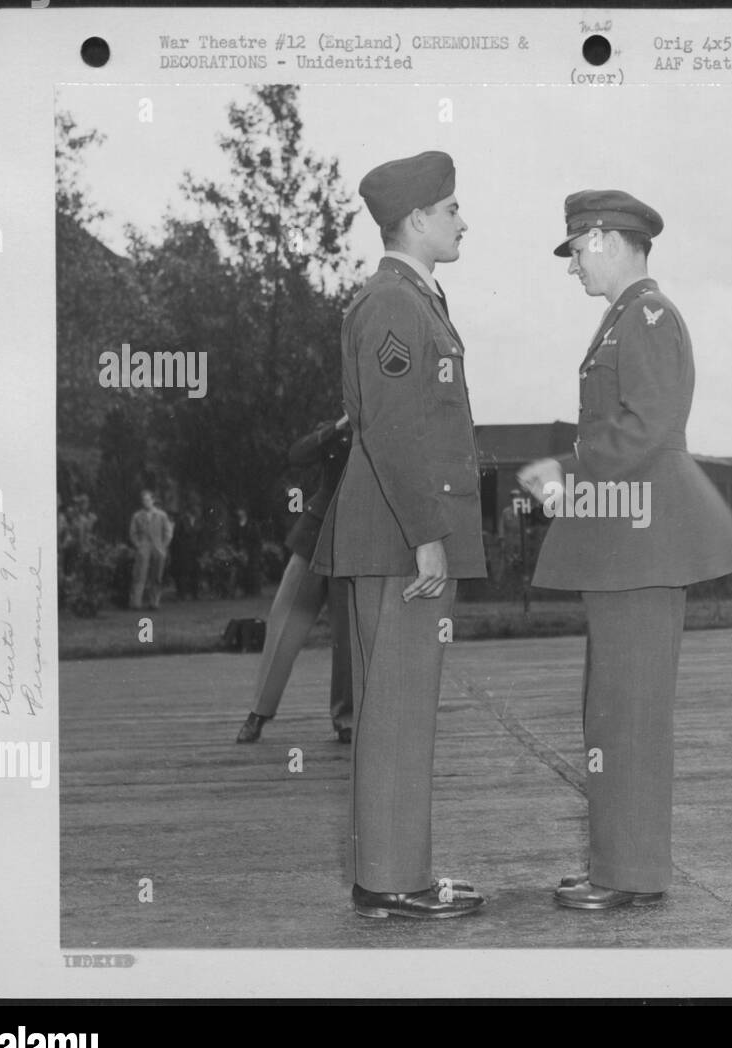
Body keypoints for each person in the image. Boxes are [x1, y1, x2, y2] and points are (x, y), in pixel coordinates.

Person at [518, 190, 732, 910]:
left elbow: (649, 425)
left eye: (578, 251)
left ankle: (632, 872)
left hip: (644, 537)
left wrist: (565, 470)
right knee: (611, 709)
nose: (573, 267)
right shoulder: (625, 318)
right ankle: (616, 861)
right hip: (627, 535)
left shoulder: (646, 316)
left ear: (611, 240)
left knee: (631, 713)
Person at [311, 151, 486, 920]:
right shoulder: (393, 303)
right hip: (397, 538)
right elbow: (388, 429)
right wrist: (426, 534)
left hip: (394, 533)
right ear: (417, 219)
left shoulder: (412, 299)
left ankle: (396, 874)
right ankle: (389, 881)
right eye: (451, 209)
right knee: (396, 714)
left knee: (400, 712)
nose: (461, 220)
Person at [238, 418, 354, 744]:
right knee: (284, 620)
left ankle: (347, 720)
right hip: (313, 537)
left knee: (347, 637)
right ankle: (258, 713)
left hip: (353, 544)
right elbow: (298, 454)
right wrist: (337, 427)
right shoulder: (336, 431)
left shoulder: (385, 430)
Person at [128, 489, 173, 610]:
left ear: (153, 500)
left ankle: (154, 602)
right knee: (140, 575)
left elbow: (168, 532)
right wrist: (138, 545)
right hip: (144, 547)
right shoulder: (137, 516)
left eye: (148, 500)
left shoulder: (161, 515)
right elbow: (133, 533)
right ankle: (136, 603)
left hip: (158, 547)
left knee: (157, 576)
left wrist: (163, 546)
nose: (146, 502)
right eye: (143, 500)